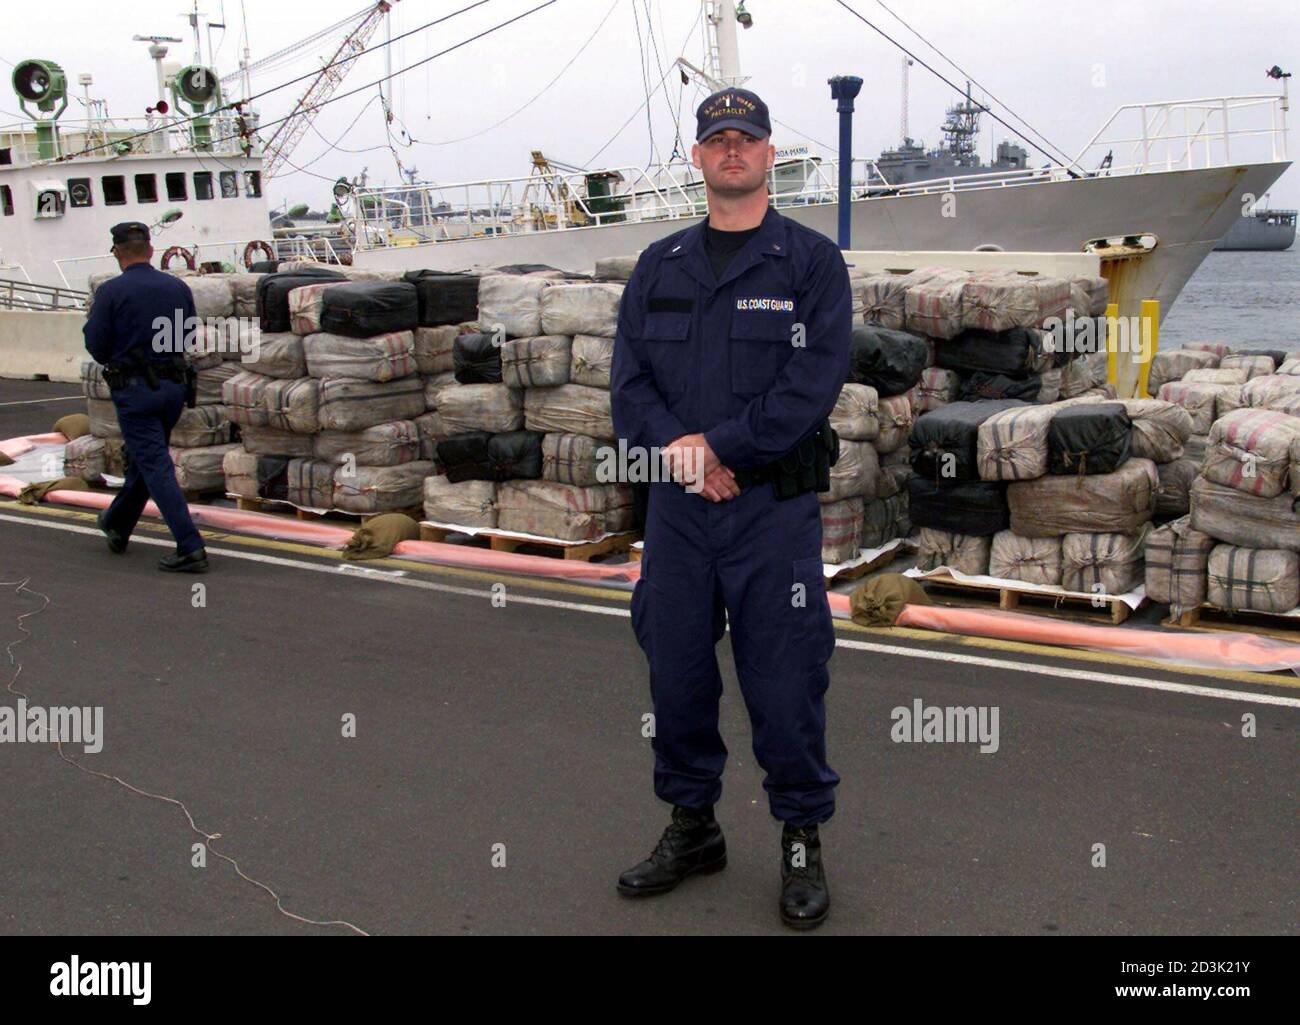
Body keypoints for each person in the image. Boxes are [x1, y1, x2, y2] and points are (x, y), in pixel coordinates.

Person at [610, 87, 851, 929]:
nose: (733, 150)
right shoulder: (660, 266)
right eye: (719, 139)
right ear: (699, 157)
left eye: (747, 138)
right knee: (675, 674)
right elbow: (629, 385)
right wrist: (681, 452)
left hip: (770, 516)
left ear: (770, 153)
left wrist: (719, 450)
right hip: (678, 514)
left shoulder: (810, 265)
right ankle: (693, 825)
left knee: (784, 682)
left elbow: (808, 389)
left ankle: (798, 843)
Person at [83, 222, 209, 572]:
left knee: (154, 464)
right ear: (151, 251)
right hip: (173, 389)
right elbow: (186, 336)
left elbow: (96, 345)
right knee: (145, 460)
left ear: (117, 253)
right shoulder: (177, 286)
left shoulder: (111, 292)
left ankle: (190, 545)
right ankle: (117, 523)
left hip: (136, 391)